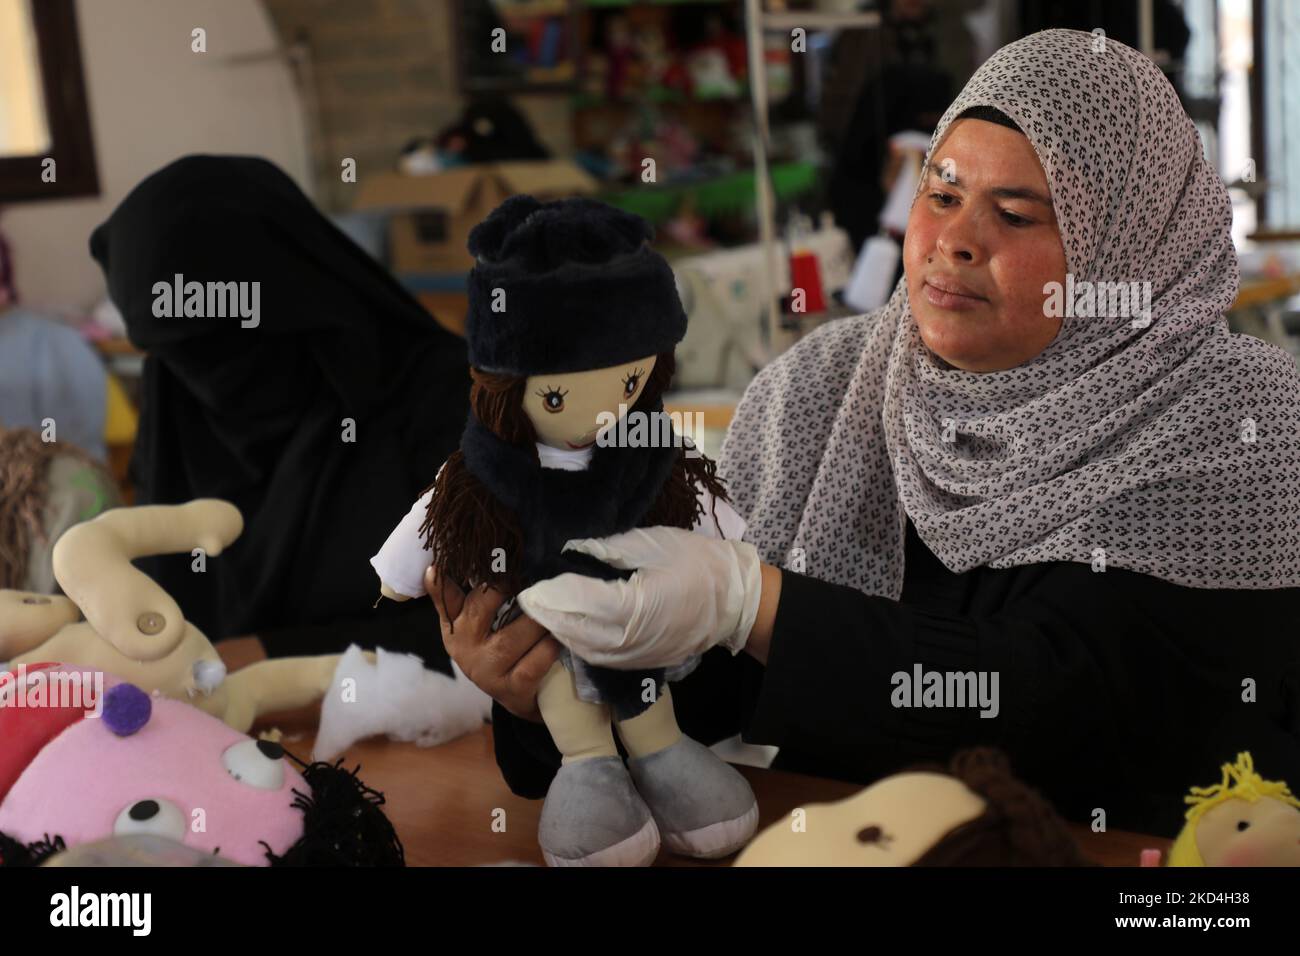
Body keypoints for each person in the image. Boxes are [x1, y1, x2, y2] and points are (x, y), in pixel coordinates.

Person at [432, 30, 1300, 836]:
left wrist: (751, 603)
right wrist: (553, 678)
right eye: (942, 194)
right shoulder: (823, 391)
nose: (954, 241)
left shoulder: (1233, 423)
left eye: (1015, 214)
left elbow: (1056, 706)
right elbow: (716, 696)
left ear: (1127, 246)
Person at [89, 156, 471, 661]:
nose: (204, 370)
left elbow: (483, 626)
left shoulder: (433, 393)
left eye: (220, 337)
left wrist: (268, 655)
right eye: (174, 349)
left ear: (287, 296)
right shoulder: (173, 393)